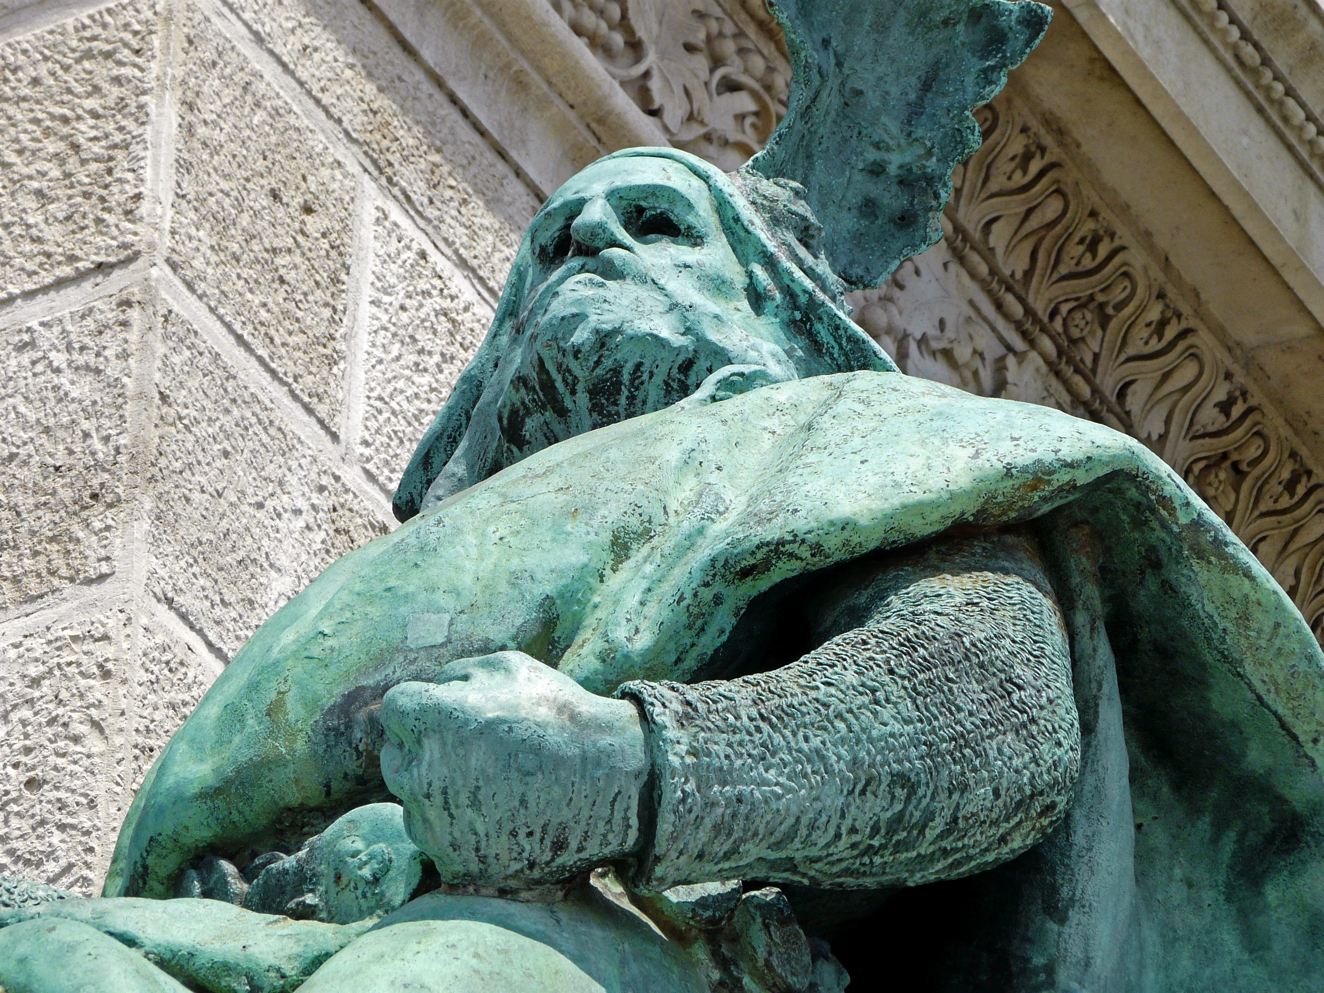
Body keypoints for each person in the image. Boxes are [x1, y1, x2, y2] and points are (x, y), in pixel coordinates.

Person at [6, 0, 1324, 988]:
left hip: (608, 940)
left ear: (774, 318)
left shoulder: (843, 448)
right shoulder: (447, 557)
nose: (593, 246)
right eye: (557, 242)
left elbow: (991, 707)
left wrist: (631, 770)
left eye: (658, 226)